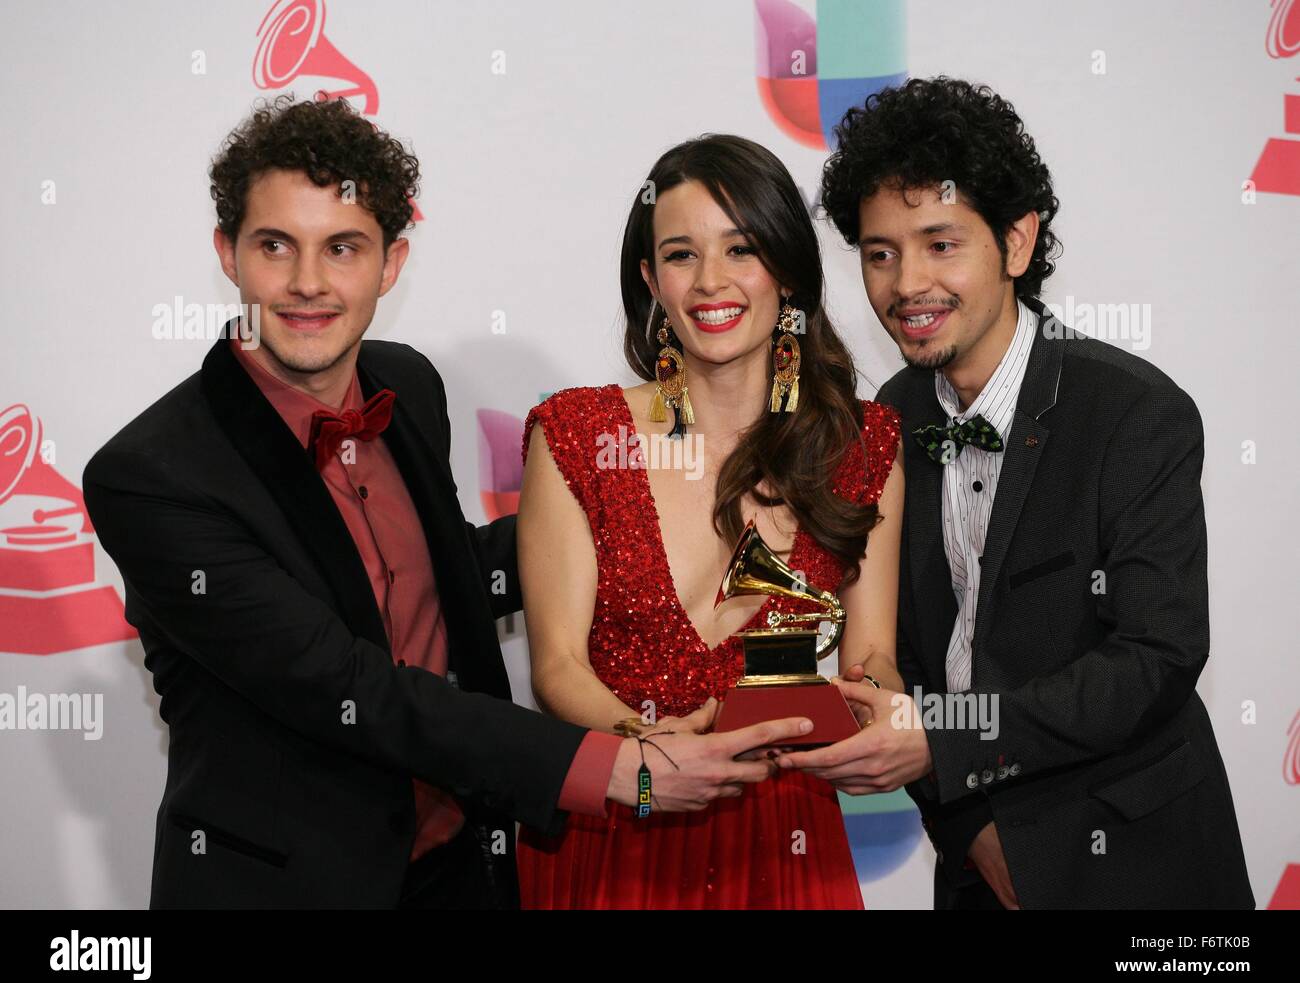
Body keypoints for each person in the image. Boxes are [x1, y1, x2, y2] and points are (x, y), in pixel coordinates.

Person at [81, 97, 810, 909]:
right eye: (275, 246)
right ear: (227, 253)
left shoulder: (409, 385)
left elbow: (451, 572)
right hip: (288, 887)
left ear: (391, 264)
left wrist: (638, 501)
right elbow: (343, 682)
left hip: (464, 873)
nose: (308, 283)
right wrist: (616, 770)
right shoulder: (151, 474)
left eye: (344, 248)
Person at [781, 76, 1255, 909]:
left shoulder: (1135, 412)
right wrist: (966, 825)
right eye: (880, 252)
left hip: (1139, 866)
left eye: (941, 243)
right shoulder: (885, 418)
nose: (906, 285)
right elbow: (907, 658)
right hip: (973, 861)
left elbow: (1155, 658)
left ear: (1018, 241)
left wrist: (948, 744)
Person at [514, 134, 904, 908]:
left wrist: (887, 710)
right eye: (682, 255)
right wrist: (646, 751)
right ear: (650, 278)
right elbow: (556, 666)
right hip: (631, 813)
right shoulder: (579, 434)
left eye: (741, 249)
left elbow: (871, 657)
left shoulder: (865, 445)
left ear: (787, 271)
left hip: (788, 833)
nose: (711, 282)